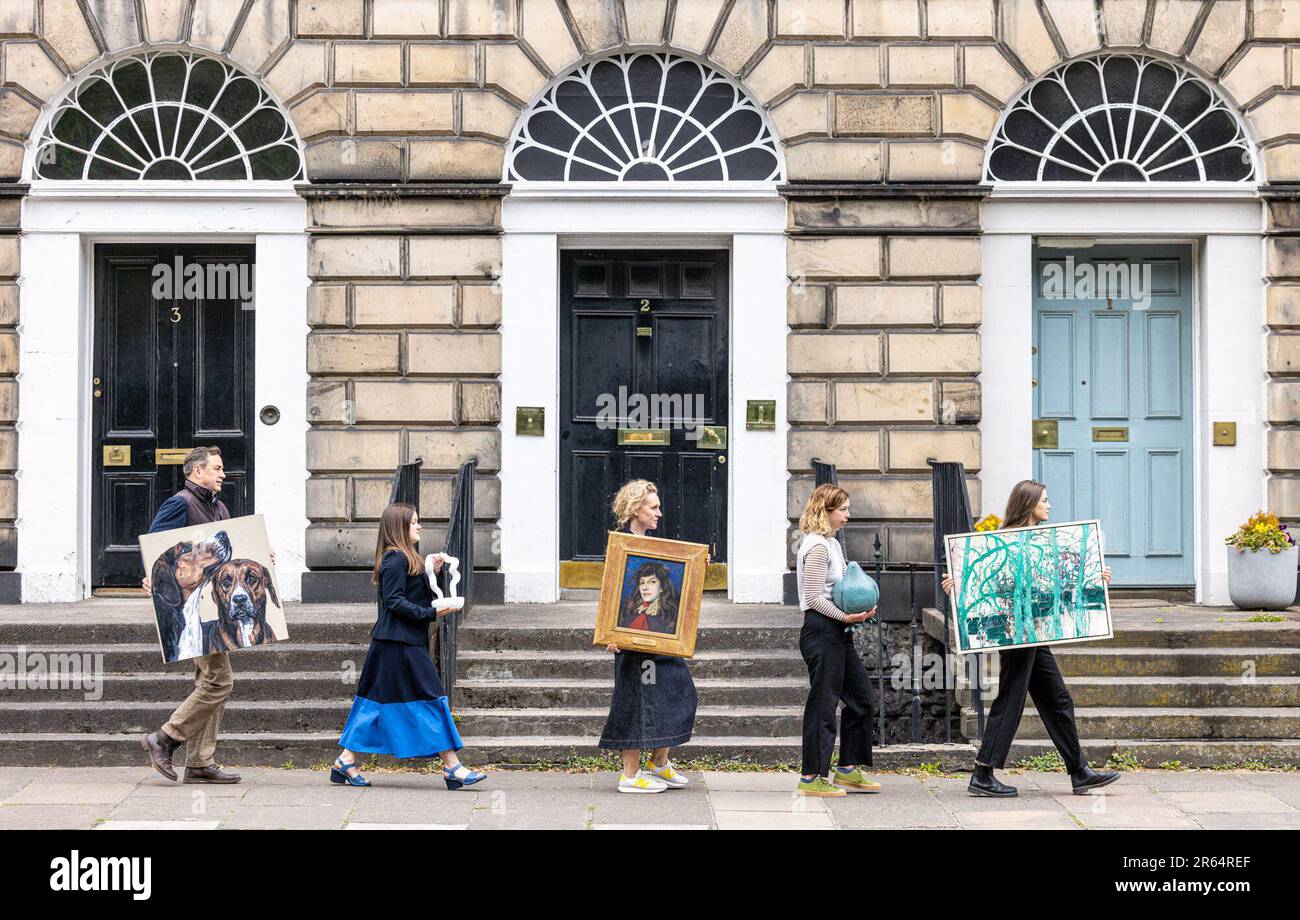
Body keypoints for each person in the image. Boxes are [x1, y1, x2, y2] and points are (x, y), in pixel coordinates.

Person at [943, 479, 1119, 798]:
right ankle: (983, 773)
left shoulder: (1042, 542)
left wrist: (1095, 577)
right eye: (1045, 500)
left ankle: (1079, 772)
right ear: (1029, 504)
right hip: (1017, 633)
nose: (1049, 505)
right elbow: (984, 581)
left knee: (1057, 698)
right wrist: (956, 584)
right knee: (1011, 697)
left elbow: (1058, 581)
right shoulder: (1004, 541)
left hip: (1036, 631)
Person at [332, 502, 485, 790]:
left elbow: (411, 595)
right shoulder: (395, 559)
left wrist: (433, 572)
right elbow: (394, 601)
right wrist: (431, 613)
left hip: (398, 643)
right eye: (414, 522)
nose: (419, 526)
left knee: (377, 704)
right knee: (430, 698)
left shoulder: (404, 558)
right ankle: (452, 766)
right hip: (397, 644)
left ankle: (345, 760)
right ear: (399, 527)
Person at [141, 446, 263, 784]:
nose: (223, 474)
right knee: (219, 681)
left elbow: (230, 555)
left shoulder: (218, 506)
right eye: (217, 468)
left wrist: (260, 552)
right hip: (188, 613)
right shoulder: (181, 503)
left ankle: (199, 762)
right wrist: (151, 575)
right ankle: (165, 737)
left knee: (209, 683)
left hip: (210, 612)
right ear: (198, 471)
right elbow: (155, 544)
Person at [598, 480, 698, 794]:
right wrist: (609, 632)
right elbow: (612, 594)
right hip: (631, 643)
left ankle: (658, 763)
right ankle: (630, 775)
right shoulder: (621, 545)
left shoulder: (654, 547)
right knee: (634, 701)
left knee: (678, 692)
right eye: (653, 507)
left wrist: (698, 566)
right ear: (635, 509)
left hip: (660, 640)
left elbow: (674, 589)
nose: (659, 513)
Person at [794, 484, 881, 797]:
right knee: (823, 704)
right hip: (821, 631)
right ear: (825, 511)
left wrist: (859, 606)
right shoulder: (817, 547)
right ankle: (811, 777)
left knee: (861, 698)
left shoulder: (831, 543)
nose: (848, 515)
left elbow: (842, 587)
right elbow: (813, 598)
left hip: (838, 632)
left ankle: (847, 769)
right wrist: (845, 617)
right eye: (842, 509)